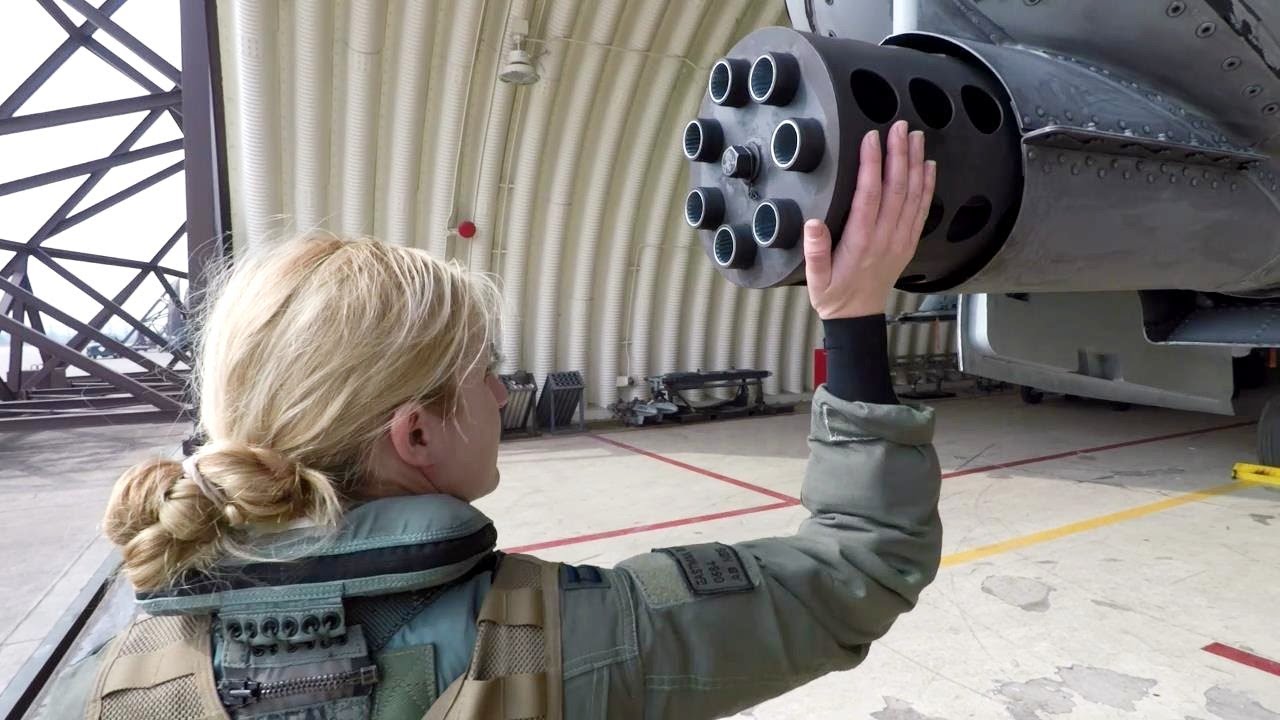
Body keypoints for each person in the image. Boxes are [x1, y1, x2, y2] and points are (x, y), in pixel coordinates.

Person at [41, 120, 939, 720]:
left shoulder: (106, 688)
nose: (504, 396)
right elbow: (855, 567)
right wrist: (854, 314)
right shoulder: (560, 641)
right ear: (416, 435)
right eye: (487, 376)